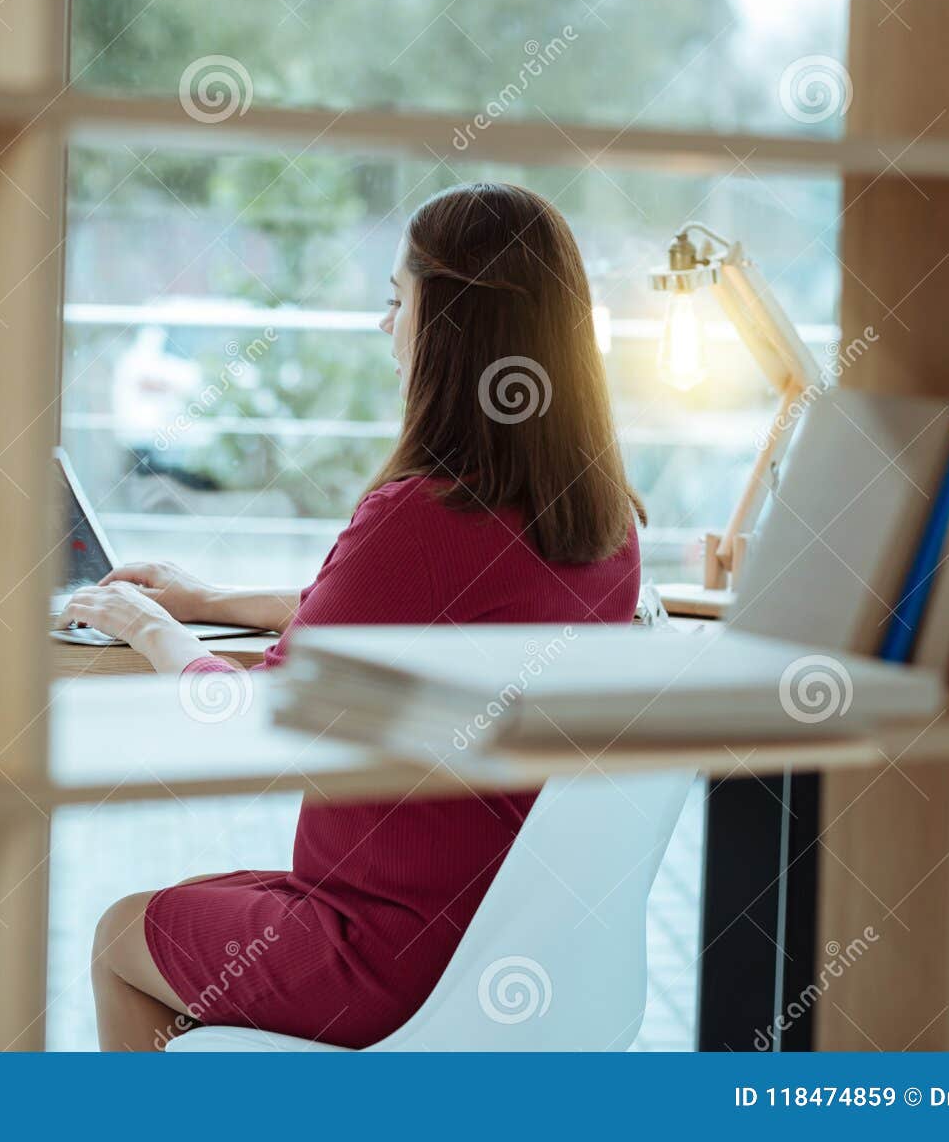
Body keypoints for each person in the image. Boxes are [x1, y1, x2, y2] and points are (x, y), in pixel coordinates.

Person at [68, 181, 647, 1051]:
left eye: (394, 301)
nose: (386, 328)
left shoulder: (426, 516)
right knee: (192, 932)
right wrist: (211, 602)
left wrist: (146, 625)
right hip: (511, 933)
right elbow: (410, 621)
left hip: (389, 946)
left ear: (446, 321)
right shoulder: (604, 525)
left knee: (125, 932)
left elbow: (253, 722)